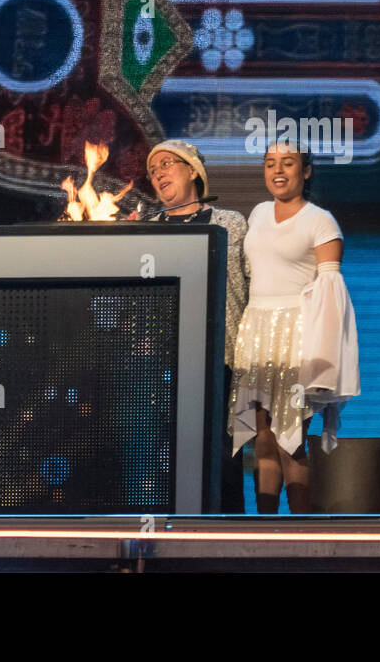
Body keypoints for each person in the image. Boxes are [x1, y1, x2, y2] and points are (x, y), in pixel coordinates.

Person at [229, 140, 359, 514]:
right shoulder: (256, 214)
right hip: (256, 332)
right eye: (270, 163)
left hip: (296, 333)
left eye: (288, 163)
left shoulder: (320, 221)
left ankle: (302, 530)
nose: (278, 170)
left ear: (306, 171)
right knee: (264, 440)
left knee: (292, 440)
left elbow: (331, 293)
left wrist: (324, 356)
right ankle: (265, 527)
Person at [145, 139, 248, 513]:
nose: (158, 173)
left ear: (193, 170)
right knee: (165, 455)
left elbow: (248, 286)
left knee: (225, 457)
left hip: (220, 357)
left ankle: (231, 543)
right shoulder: (147, 229)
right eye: (153, 170)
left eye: (167, 164)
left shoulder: (231, 223)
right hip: (163, 362)